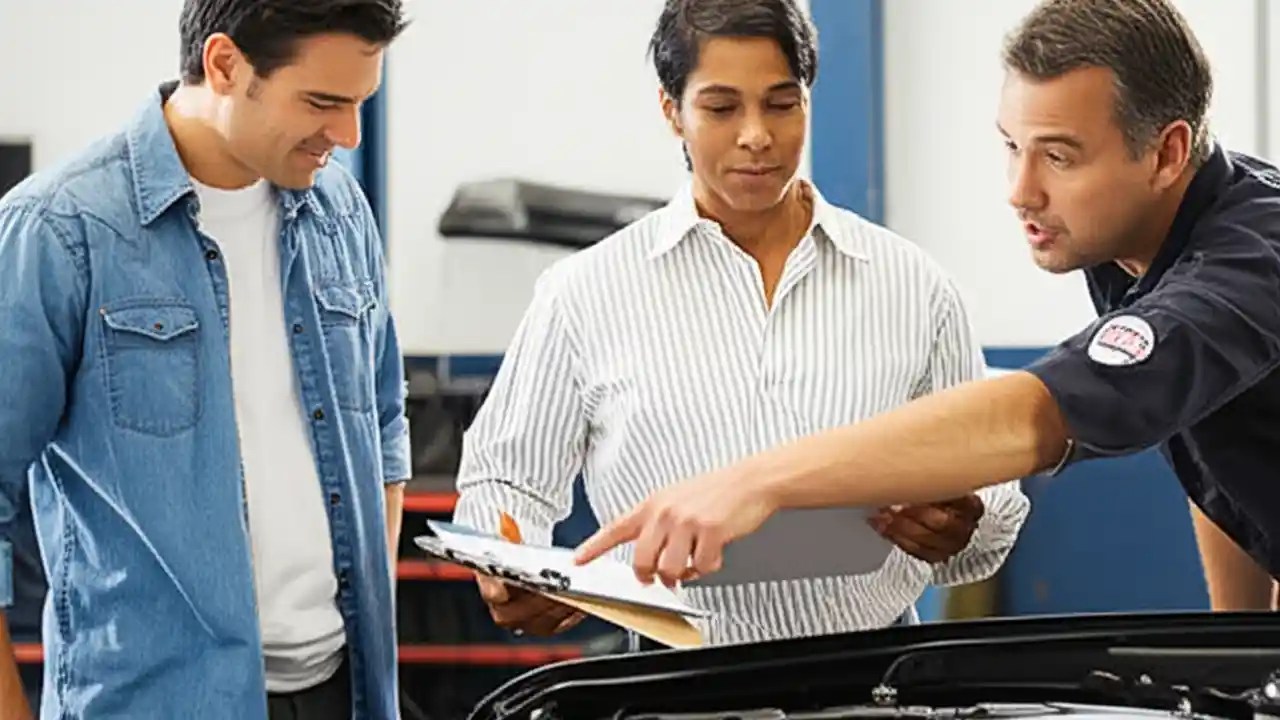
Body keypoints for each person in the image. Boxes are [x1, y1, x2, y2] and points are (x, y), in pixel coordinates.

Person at [574, 0, 1280, 611]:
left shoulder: (1247, 270)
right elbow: (1214, 445)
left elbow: (1044, 414)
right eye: (1012, 147)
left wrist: (758, 481)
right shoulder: (1138, 237)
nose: (1020, 190)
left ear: (1166, 153)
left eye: (1058, 157)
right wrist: (1239, 661)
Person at [452, 0, 1029, 647]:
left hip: (876, 675)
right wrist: (509, 560)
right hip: (669, 683)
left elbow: (990, 487)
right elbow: (504, 477)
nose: (756, 134)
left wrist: (967, 524)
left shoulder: (915, 288)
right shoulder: (583, 294)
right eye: (722, 108)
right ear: (673, 111)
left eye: (782, 104)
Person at [0, 1, 411, 717]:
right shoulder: (59, 232)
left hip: (339, 692)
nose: (345, 136)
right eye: (321, 102)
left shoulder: (340, 211)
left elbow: (382, 427)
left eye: (359, 105)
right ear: (225, 65)